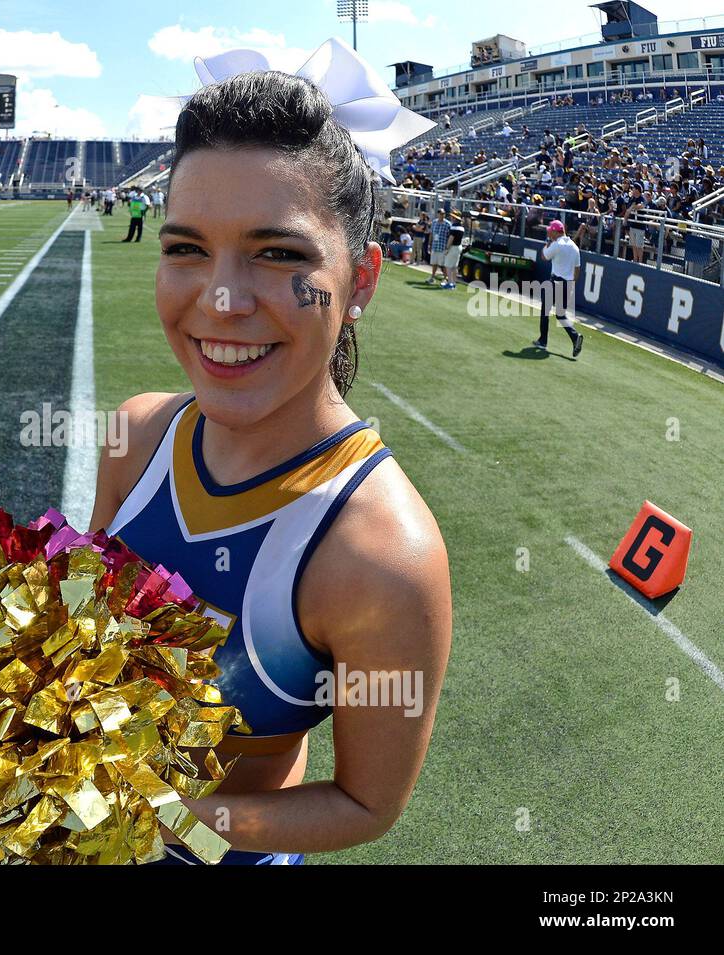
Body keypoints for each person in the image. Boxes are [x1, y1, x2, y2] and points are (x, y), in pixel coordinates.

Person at [88, 55, 450, 865]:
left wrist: (159, 822)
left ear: (359, 281)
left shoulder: (384, 556)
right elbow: (84, 642)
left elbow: (366, 801)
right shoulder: (135, 436)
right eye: (186, 248)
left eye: (278, 255)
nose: (221, 298)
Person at [535, 219, 583, 357]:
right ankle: (575, 337)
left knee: (545, 311)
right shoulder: (574, 247)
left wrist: (546, 243)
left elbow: (544, 256)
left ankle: (543, 341)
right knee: (561, 314)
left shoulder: (556, 244)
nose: (550, 233)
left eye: (551, 231)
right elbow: (577, 269)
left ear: (557, 232)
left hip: (555, 281)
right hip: (568, 284)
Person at [425, 208, 450, 284]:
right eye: (440, 213)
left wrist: (448, 247)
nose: (442, 215)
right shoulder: (434, 222)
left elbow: (449, 236)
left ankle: (445, 278)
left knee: (443, 264)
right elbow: (431, 234)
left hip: (443, 247)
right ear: (438, 214)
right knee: (434, 263)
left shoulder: (448, 224)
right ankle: (432, 277)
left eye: (443, 213)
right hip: (435, 246)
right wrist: (429, 244)